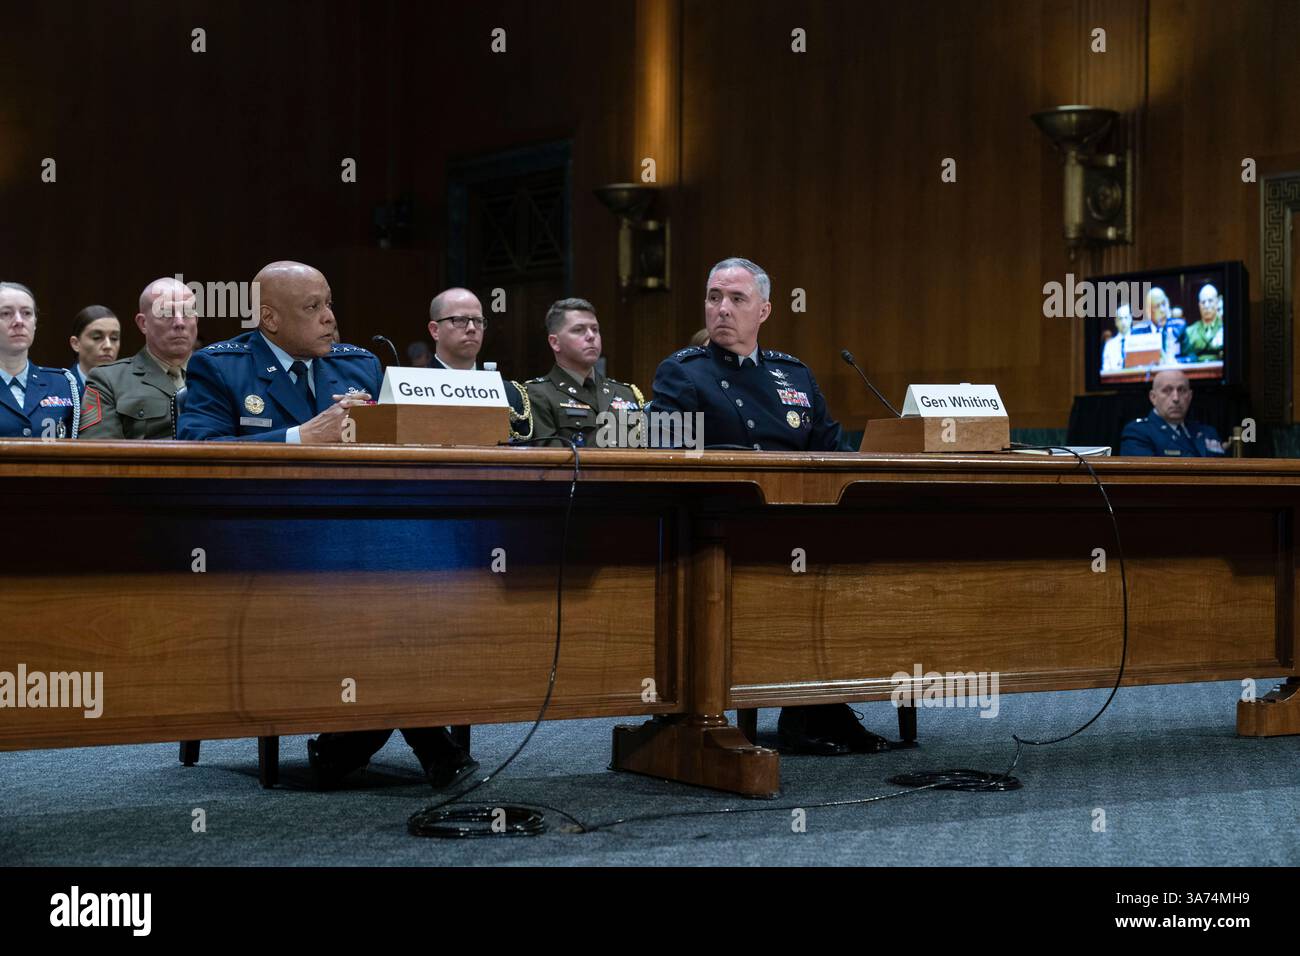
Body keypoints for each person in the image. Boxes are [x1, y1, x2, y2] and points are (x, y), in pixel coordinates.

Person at [650, 257, 887, 756]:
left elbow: (830, 448)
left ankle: (817, 704)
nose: (722, 309)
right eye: (714, 297)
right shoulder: (683, 373)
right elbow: (666, 456)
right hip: (724, 528)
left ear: (764, 310)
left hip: (803, 519)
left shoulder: (793, 374)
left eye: (737, 299)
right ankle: (792, 710)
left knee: (862, 564)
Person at [177, 261, 380, 443]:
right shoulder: (220, 368)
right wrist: (301, 436)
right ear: (269, 319)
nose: (330, 318)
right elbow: (201, 448)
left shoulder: (361, 366)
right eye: (312, 307)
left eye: (328, 304)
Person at [80, 278, 197, 440]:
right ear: (143, 323)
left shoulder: (218, 376)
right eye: (166, 313)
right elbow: (100, 454)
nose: (179, 322)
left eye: (187, 312)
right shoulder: (108, 381)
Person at [524, 298, 645, 447]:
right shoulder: (538, 395)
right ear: (555, 342)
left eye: (595, 329)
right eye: (578, 330)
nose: (591, 336)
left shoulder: (626, 393)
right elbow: (551, 462)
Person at [426, 287, 533, 439]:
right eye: (460, 320)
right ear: (435, 330)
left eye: (478, 321)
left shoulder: (508, 393)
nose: (472, 328)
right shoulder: (410, 388)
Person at [0, 282, 80, 439]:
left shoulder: (63, 384)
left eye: (27, 313)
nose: (19, 321)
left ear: (35, 323)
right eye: (6, 313)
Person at [1119, 368, 1226, 456]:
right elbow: (1143, 478)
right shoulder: (1138, 432)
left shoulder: (1207, 432)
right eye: (1167, 390)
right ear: (1153, 397)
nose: (1176, 398)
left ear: (1190, 396)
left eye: (1182, 390)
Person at [67, 306, 121, 392]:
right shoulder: (58, 388)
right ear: (76, 344)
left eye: (114, 338)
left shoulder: (130, 389)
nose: (108, 345)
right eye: (97, 337)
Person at [1180, 283, 1225, 363]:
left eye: (1210, 301)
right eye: (1203, 302)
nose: (1206, 306)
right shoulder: (1190, 331)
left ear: (1217, 302)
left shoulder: (1225, 328)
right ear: (1199, 305)